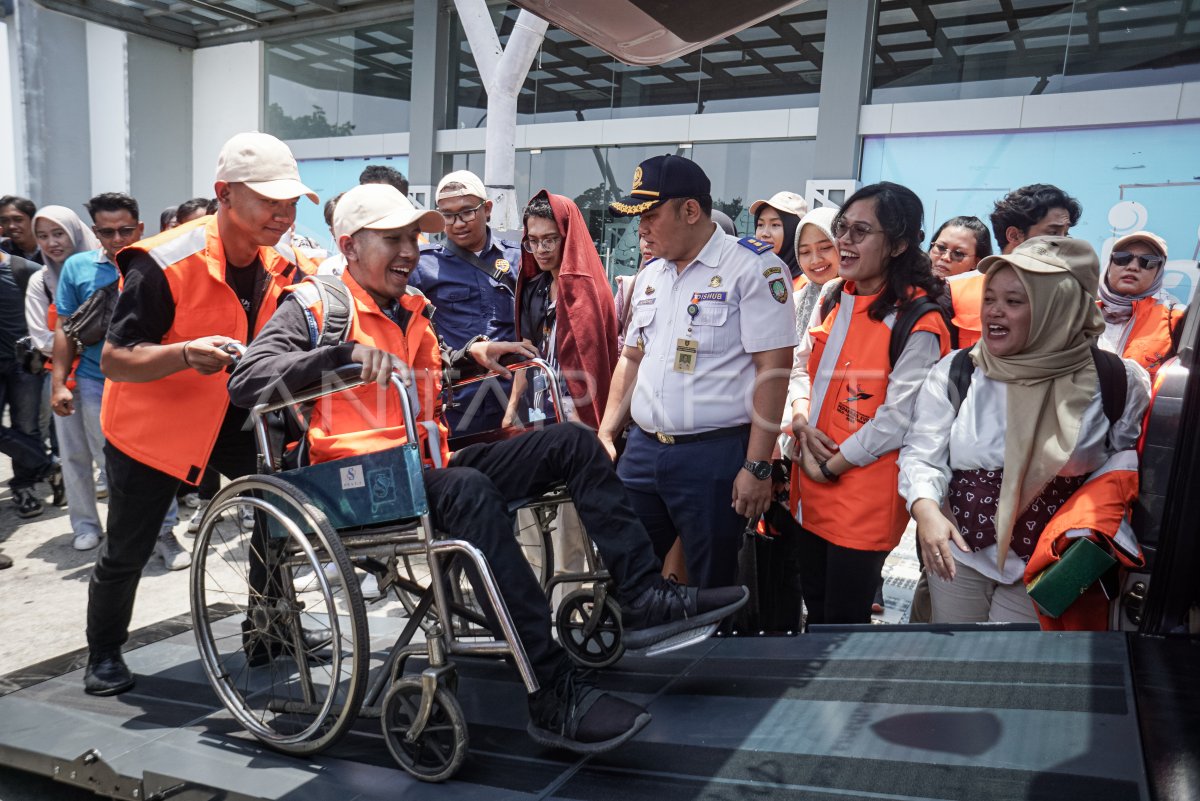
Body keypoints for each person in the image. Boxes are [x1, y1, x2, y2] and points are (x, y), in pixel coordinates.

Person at [227, 182, 748, 754]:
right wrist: (338, 356)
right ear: (349, 246)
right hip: (355, 482)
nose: (408, 251)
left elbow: (415, 385)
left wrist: (464, 359)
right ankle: (553, 692)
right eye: (392, 239)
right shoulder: (317, 306)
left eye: (411, 239)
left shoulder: (411, 310)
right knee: (469, 489)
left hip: (426, 462)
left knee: (571, 443)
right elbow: (247, 381)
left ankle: (642, 597)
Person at [82, 132, 320, 697]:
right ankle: (104, 652)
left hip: (238, 418)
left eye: (290, 203)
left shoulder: (287, 261)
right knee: (128, 547)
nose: (282, 215)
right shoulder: (164, 261)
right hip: (154, 429)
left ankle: (268, 632)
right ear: (225, 195)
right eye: (269, 201)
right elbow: (116, 358)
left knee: (278, 518)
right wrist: (185, 354)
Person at [900, 237, 1150, 624]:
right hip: (959, 551)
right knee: (954, 662)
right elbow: (922, 452)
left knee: (1012, 667)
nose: (994, 312)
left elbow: (1118, 467)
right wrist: (926, 510)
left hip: (1051, 562)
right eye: (989, 299)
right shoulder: (959, 370)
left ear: (1059, 309)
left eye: (1014, 302)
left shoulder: (1117, 381)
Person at [597, 155, 797, 588]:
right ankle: (643, 654)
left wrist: (758, 466)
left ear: (690, 210)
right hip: (643, 454)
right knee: (629, 574)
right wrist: (607, 433)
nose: (641, 230)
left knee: (712, 583)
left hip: (713, 457)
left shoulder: (754, 268)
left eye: (650, 216)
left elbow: (774, 369)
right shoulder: (652, 275)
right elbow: (631, 358)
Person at [785, 182, 952, 625]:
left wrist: (830, 465)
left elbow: (898, 419)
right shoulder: (832, 295)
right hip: (808, 487)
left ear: (898, 244)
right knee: (814, 608)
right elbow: (800, 367)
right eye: (843, 228)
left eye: (861, 231)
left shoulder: (919, 319)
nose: (844, 241)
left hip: (860, 497)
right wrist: (800, 419)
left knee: (842, 621)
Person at [50, 194, 143, 553]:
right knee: (102, 461)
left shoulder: (155, 261)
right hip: (93, 380)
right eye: (107, 232)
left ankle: (151, 532)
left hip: (145, 379)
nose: (117, 239)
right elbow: (64, 328)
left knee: (147, 462)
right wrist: (58, 384)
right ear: (95, 232)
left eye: (125, 230)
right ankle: (89, 526)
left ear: (140, 227)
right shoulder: (78, 268)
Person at [410, 170, 522, 437]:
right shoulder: (423, 265)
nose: (458, 223)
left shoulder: (519, 259)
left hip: (514, 396)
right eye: (447, 215)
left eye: (467, 212)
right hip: (458, 399)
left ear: (488, 209)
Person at [506, 191, 618, 430]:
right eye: (533, 241)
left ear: (568, 238)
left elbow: (594, 368)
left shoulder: (592, 293)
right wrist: (512, 407)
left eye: (550, 239)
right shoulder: (534, 288)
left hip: (577, 414)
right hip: (538, 410)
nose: (540, 249)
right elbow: (527, 355)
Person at [0, 247, 59, 520]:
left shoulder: (24, 270)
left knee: (27, 427)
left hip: (24, 365)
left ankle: (24, 487)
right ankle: (47, 466)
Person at [1097, 230, 1182, 382]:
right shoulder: (1079, 310)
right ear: (1110, 264)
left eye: (1147, 261)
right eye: (1123, 258)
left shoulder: (1175, 320)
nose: (1133, 267)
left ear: (1158, 271)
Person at [929, 216, 992, 348]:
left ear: (977, 262)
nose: (945, 257)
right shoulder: (905, 288)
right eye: (940, 247)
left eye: (958, 253)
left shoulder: (988, 302)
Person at [790, 206, 841, 336]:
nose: (815, 260)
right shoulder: (793, 304)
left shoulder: (861, 301)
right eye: (805, 252)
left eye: (825, 247)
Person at [989, 183, 1081, 254]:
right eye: (1053, 232)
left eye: (1066, 234)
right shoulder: (982, 279)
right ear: (1014, 236)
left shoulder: (1073, 278)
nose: (1065, 243)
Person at [751, 191, 808, 290]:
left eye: (775, 225)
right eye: (760, 225)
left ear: (793, 230)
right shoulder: (749, 277)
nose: (765, 233)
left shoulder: (806, 287)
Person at [1, 196, 43, 263]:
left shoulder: (51, 248)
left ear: (33, 221)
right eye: (5, 221)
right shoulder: (3, 252)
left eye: (18, 219)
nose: (11, 226)